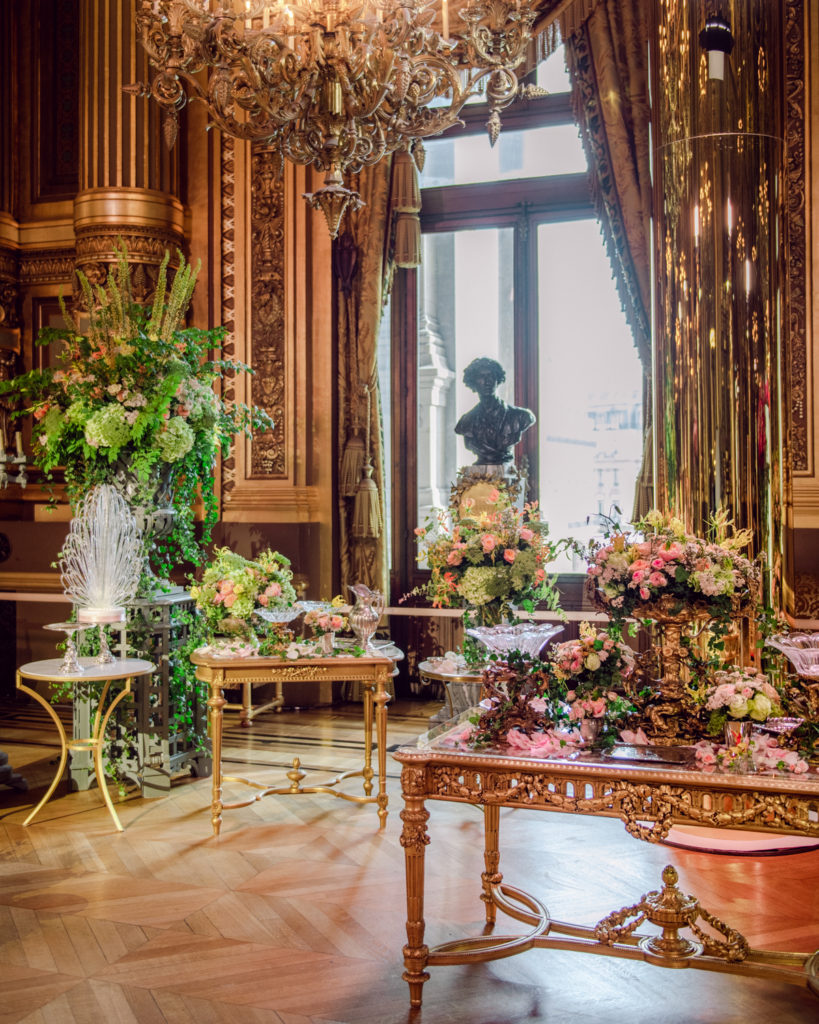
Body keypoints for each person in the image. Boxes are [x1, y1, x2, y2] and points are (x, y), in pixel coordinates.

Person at [454, 357, 535, 465]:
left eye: (490, 376)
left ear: (498, 380)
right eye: (481, 377)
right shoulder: (466, 422)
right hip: (480, 474)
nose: (487, 381)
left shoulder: (521, 416)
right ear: (473, 382)